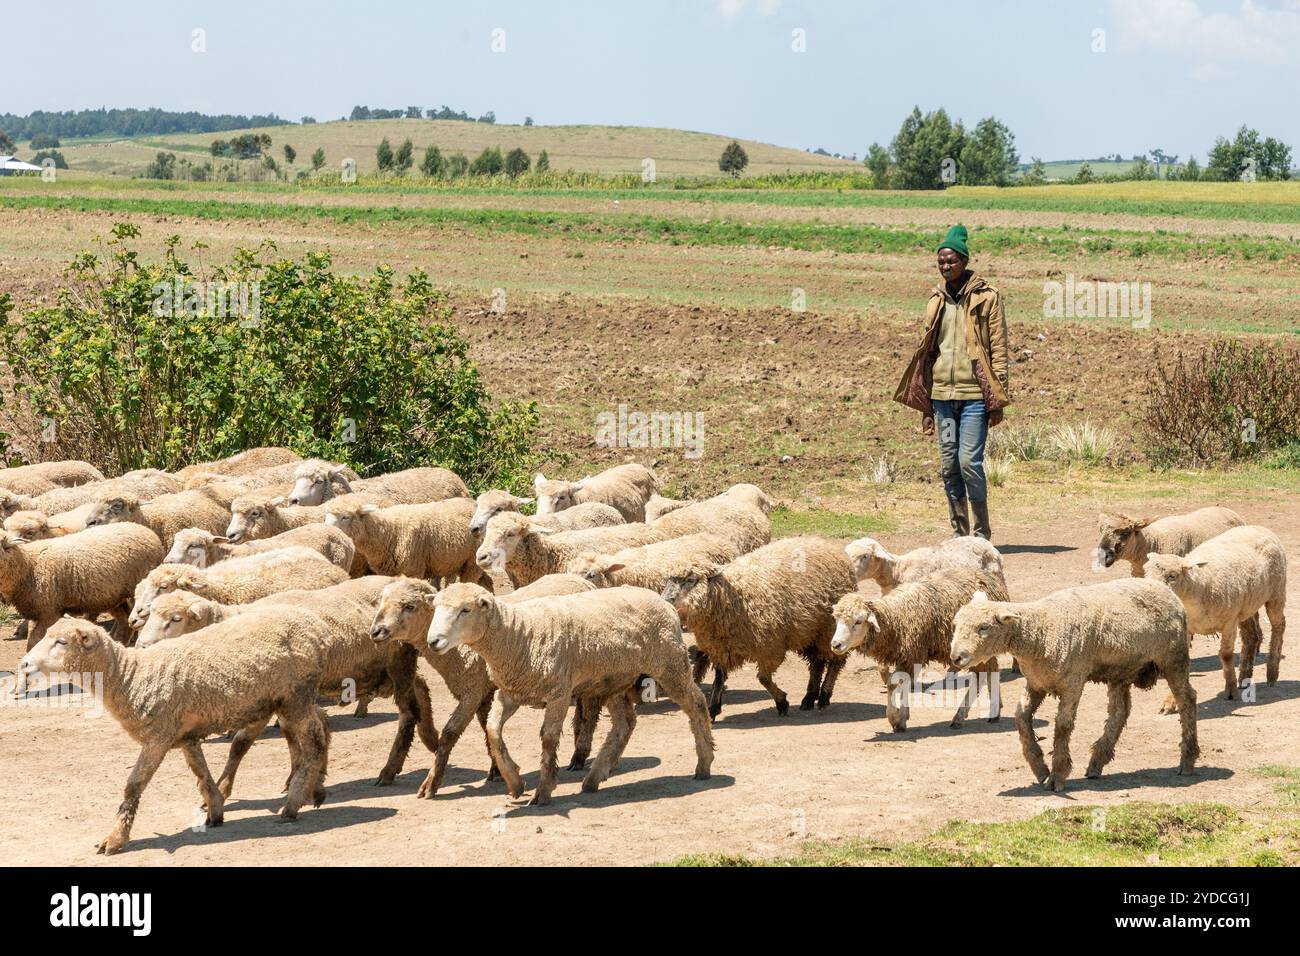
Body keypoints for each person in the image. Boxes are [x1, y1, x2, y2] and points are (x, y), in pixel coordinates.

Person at [893, 224, 1010, 540]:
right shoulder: (936, 300)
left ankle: (982, 534)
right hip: (943, 398)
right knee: (949, 467)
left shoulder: (987, 297)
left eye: (951, 261)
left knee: (969, 462)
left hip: (974, 397)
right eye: (941, 262)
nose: (946, 267)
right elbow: (928, 353)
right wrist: (926, 406)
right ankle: (959, 535)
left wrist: (996, 399)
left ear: (964, 261)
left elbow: (998, 349)